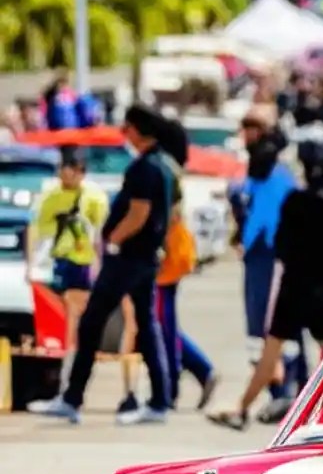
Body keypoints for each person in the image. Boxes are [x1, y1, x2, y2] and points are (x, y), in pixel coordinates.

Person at [31, 104, 174, 425]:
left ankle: (72, 398)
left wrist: (114, 240)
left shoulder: (144, 169)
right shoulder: (162, 166)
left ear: (137, 130)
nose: (124, 134)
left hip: (128, 259)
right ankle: (160, 400)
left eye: (127, 128)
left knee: (92, 321)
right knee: (146, 325)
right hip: (144, 258)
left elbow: (139, 212)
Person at [208, 134, 323, 430]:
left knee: (270, 351)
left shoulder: (296, 201)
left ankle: (242, 408)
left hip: (294, 286)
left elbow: (282, 245)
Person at [235, 107, 302, 420]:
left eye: (255, 127)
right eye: (245, 126)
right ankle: (281, 392)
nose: (248, 133)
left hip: (274, 257)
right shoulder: (256, 171)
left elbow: (272, 218)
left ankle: (290, 393)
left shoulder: (276, 172)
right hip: (257, 256)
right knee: (260, 329)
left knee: (277, 326)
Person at [26, 147, 110, 393]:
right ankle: (64, 374)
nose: (66, 175)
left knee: (74, 318)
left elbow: (100, 236)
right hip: (58, 261)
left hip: (82, 263)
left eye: (71, 170)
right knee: (61, 318)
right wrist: (32, 265)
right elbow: (36, 229)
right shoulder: (50, 197)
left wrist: (99, 265)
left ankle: (69, 379)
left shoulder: (94, 198)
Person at [152, 117, 218, 409]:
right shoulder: (172, 169)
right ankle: (197, 371)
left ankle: (172, 385)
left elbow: (168, 216)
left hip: (164, 257)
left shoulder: (164, 170)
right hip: (171, 256)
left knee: (160, 323)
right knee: (163, 320)